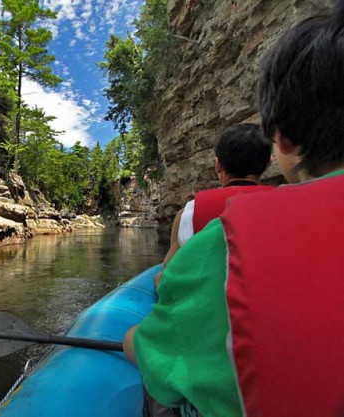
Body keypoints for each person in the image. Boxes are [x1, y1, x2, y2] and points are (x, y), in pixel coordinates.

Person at [124, 1, 344, 416]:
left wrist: (132, 337)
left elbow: (165, 282)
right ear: (264, 163)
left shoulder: (218, 237)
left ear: (283, 142)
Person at [156, 123, 273, 287]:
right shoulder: (290, 204)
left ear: (217, 165)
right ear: (268, 163)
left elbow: (168, 276)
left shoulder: (190, 212)